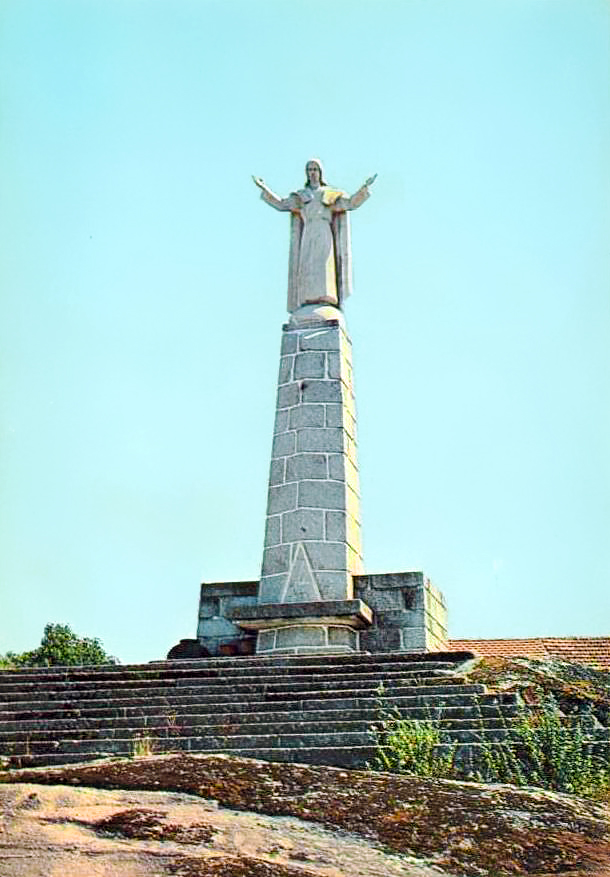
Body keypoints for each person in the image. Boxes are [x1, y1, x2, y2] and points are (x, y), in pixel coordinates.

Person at [253, 160, 376, 312]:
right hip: (308, 232)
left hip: (324, 232)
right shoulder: (301, 196)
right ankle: (307, 299)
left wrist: (364, 188)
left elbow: (350, 203)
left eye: (315, 169)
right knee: (307, 265)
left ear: (320, 172)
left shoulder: (329, 194)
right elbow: (281, 204)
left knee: (324, 266)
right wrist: (264, 188)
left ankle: (326, 297)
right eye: (309, 169)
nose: (312, 173)